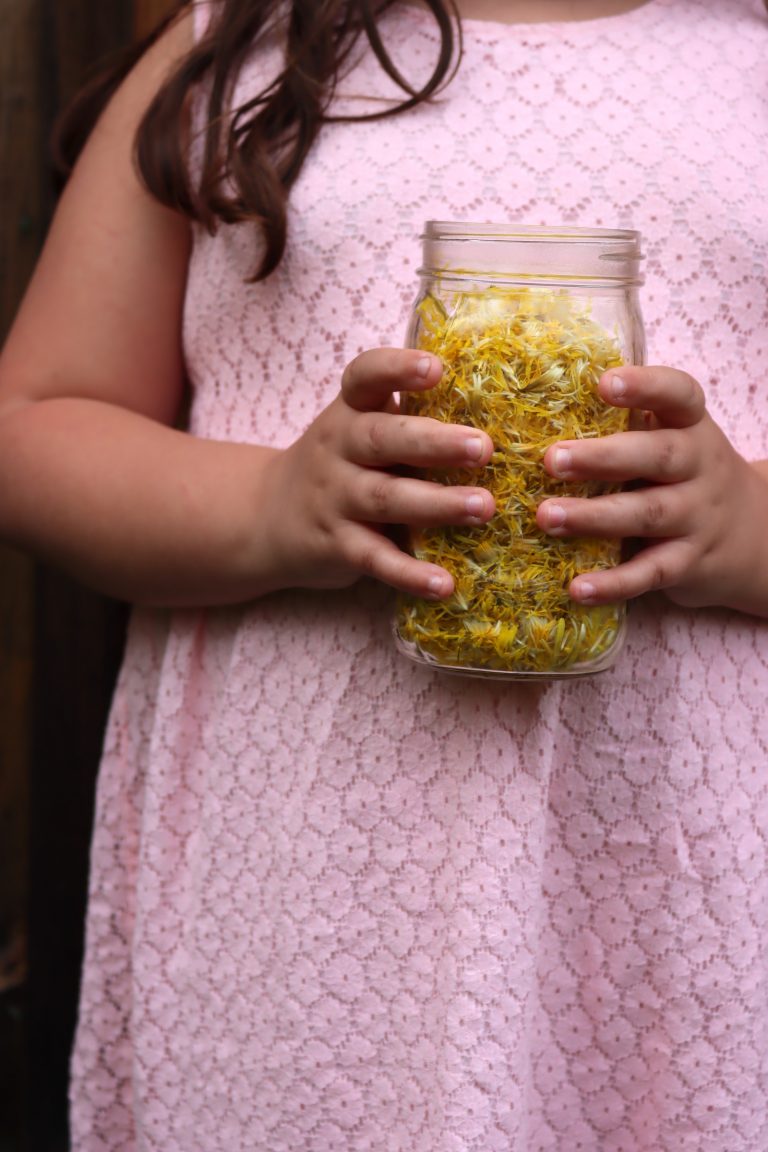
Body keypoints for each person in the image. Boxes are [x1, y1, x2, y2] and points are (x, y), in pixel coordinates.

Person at [1, 0, 767, 1147]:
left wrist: (748, 524)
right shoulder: (245, 46)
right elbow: (37, 420)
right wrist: (267, 507)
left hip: (691, 870)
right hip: (312, 876)